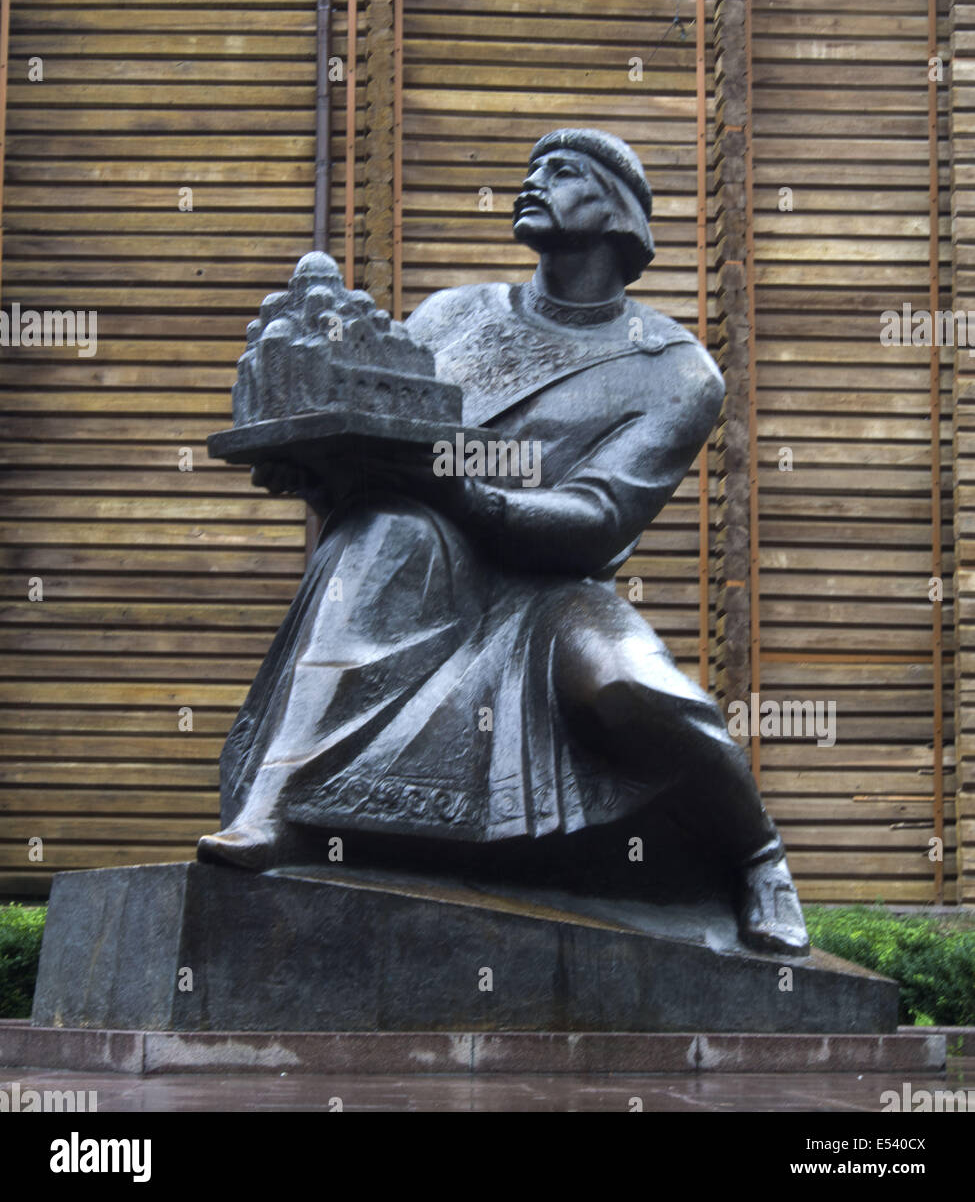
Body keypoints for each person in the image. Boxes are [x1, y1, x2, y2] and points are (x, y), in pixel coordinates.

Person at [198, 128, 809, 957]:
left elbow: (596, 520)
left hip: (553, 587)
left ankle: (755, 855)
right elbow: (391, 426)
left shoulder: (675, 370)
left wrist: (455, 488)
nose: (532, 182)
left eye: (561, 173)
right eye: (532, 169)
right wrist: (317, 464)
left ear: (617, 210)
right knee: (382, 533)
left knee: (630, 689)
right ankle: (277, 808)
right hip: (424, 553)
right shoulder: (454, 314)